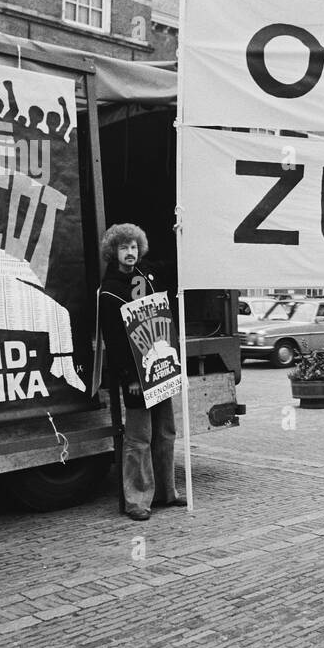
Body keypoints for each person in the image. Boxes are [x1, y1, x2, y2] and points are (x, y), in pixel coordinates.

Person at [98, 223, 184, 520]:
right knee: (139, 439)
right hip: (137, 377)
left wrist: (178, 235)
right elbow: (115, 340)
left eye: (133, 247)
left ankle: (166, 493)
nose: (130, 252)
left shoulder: (146, 274)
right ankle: (137, 500)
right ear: (113, 252)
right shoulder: (108, 291)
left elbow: (173, 268)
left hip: (160, 369)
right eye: (124, 248)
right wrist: (130, 377)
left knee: (165, 432)